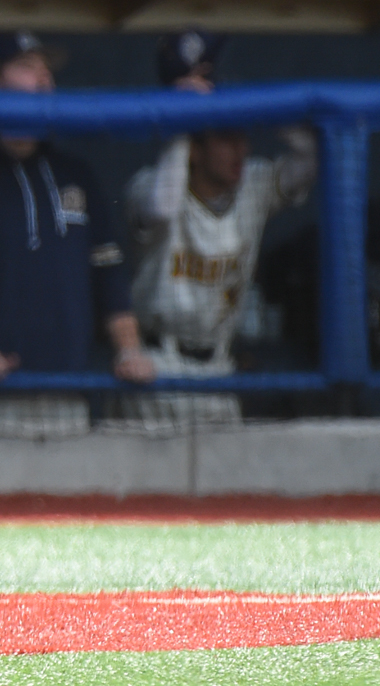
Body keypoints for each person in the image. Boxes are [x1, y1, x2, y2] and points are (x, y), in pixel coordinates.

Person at [0, 32, 154, 438]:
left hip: (68, 397)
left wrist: (129, 350)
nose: (43, 79)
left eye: (47, 70)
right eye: (27, 66)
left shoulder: (75, 173)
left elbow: (108, 274)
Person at [123, 30, 315, 431]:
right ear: (194, 147)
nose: (241, 150)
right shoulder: (148, 185)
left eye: (242, 136)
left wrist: (250, 104)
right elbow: (164, 205)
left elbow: (312, 159)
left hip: (219, 369)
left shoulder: (255, 184)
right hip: (157, 364)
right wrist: (183, 119)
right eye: (226, 139)